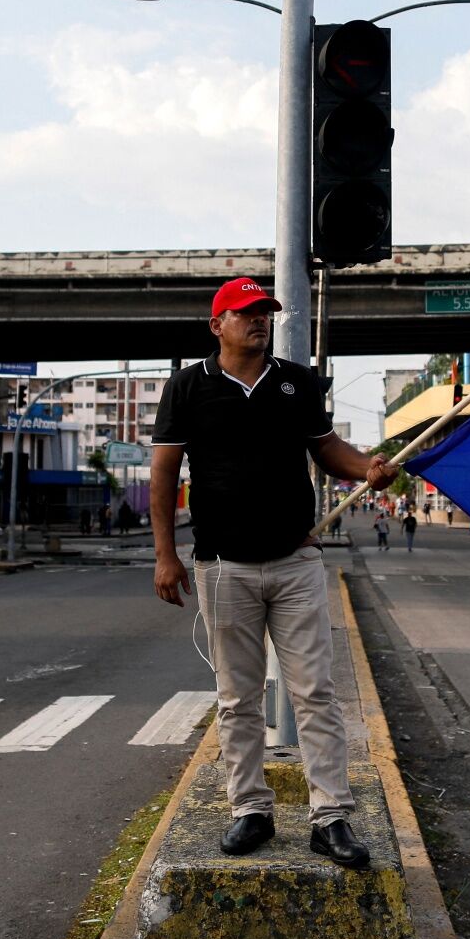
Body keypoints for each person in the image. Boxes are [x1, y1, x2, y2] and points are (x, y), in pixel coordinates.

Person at [149, 277, 392, 870]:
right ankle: (250, 810)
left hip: (295, 561)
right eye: (246, 313)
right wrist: (165, 554)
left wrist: (367, 467)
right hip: (223, 565)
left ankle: (330, 817)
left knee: (315, 691)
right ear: (218, 325)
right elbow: (162, 474)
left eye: (265, 313)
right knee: (238, 697)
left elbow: (327, 447)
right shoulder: (188, 387)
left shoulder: (296, 381)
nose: (259, 321)